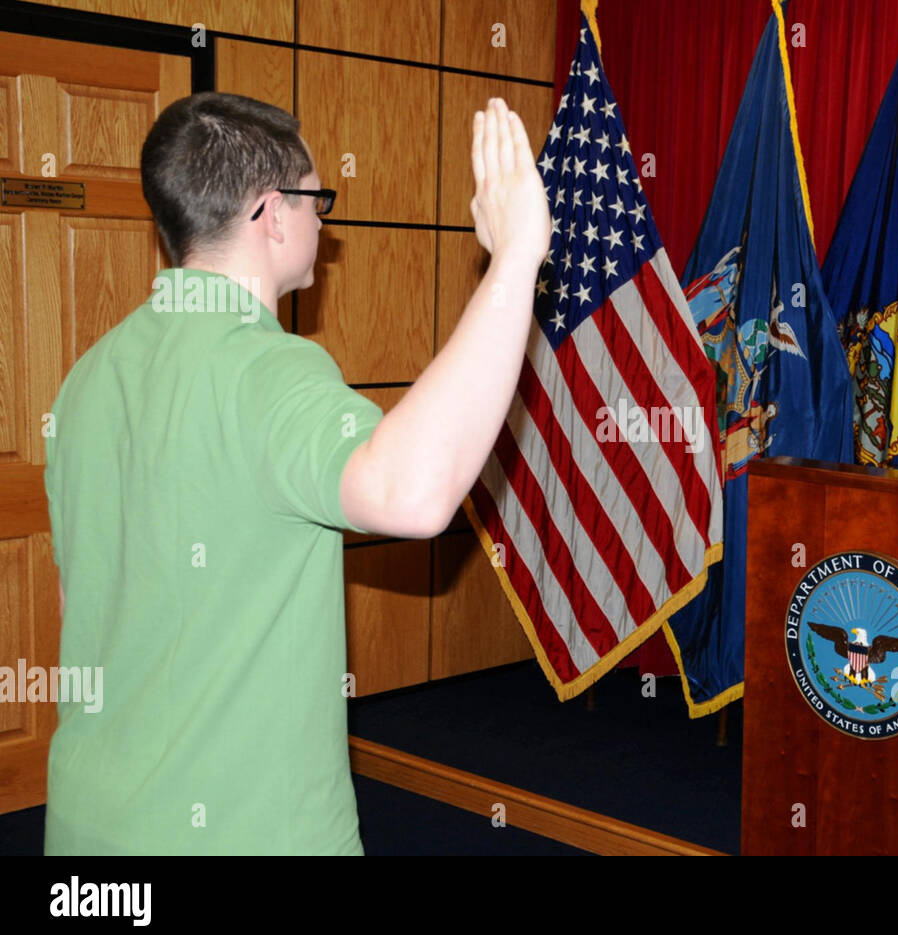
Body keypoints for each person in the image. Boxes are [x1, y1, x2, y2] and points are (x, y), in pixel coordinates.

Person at [43, 92, 549, 854]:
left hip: (91, 836)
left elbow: (79, 594)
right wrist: (515, 258)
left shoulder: (85, 379)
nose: (324, 222)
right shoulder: (269, 368)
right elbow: (413, 494)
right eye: (317, 199)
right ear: (273, 214)